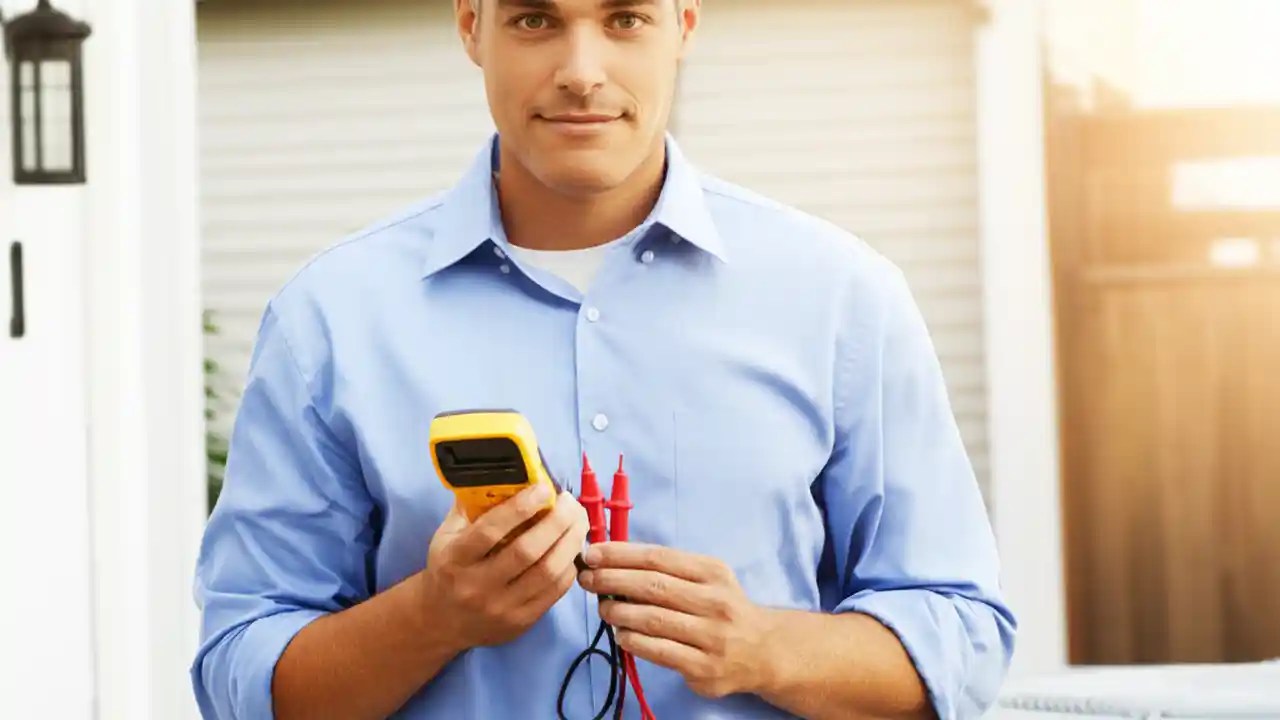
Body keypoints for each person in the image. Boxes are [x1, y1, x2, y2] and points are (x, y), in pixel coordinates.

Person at [190, 0, 1017, 718]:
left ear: (683, 24)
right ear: (472, 26)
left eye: (625, 19)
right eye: (535, 20)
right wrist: (433, 616)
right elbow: (241, 678)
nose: (582, 72)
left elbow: (965, 635)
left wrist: (765, 648)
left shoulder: (845, 299)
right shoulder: (328, 319)